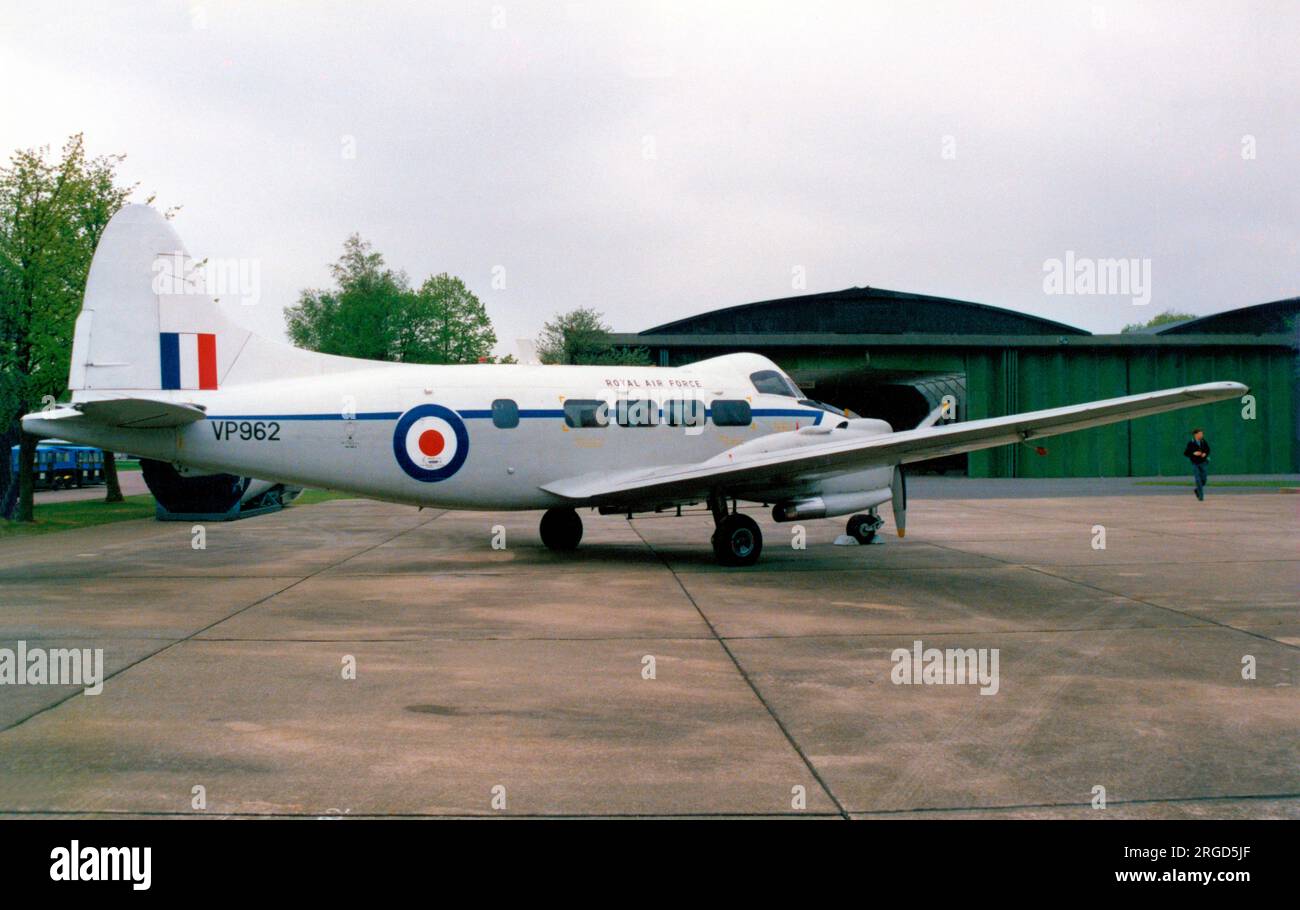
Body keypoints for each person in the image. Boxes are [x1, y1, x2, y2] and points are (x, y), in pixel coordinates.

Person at [1184, 428, 1210, 500]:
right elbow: (1186, 453)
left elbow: (1208, 449)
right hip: (1195, 463)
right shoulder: (1191, 443)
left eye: (1202, 434)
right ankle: (1201, 497)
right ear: (1196, 435)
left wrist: (1205, 453)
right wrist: (1193, 453)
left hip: (1203, 463)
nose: (1201, 435)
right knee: (1198, 480)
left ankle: (1197, 489)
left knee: (1204, 479)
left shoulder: (1203, 441)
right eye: (1200, 434)